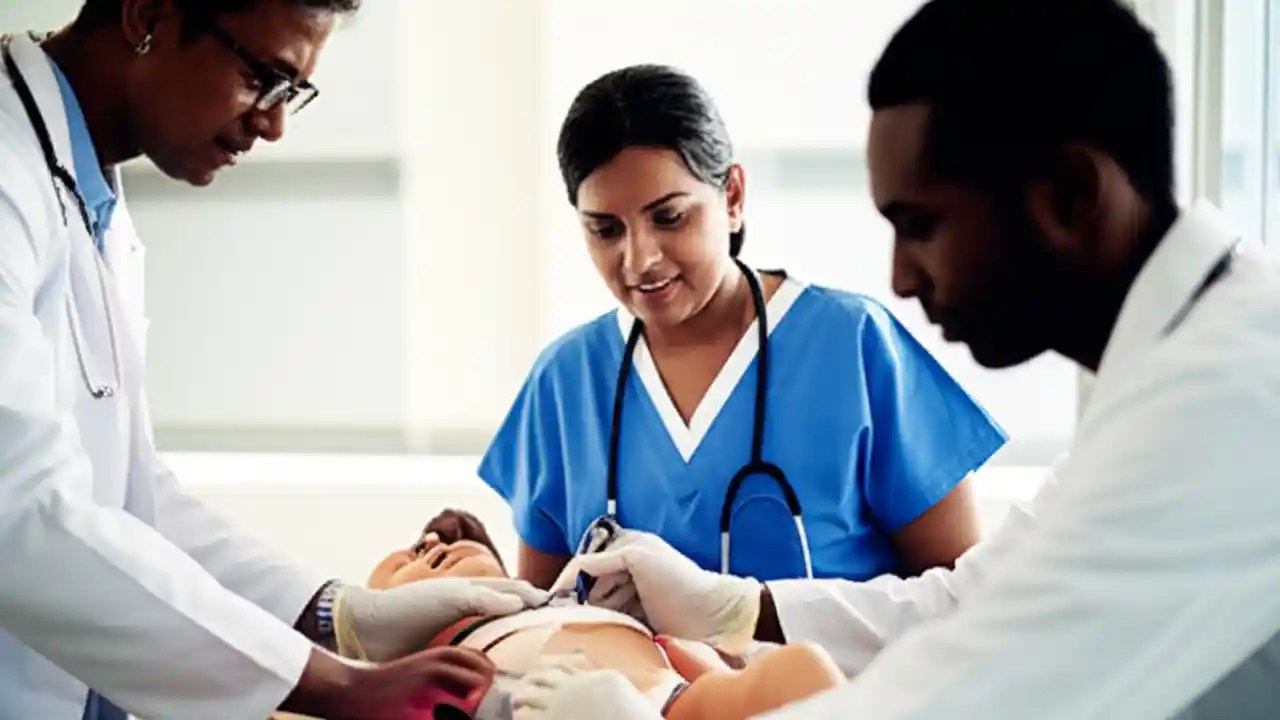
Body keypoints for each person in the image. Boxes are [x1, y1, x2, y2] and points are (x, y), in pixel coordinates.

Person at [529, 0, 1280, 717]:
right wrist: (739, 606)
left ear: (1070, 193)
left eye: (922, 226)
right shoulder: (1179, 367)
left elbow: (982, 684)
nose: (901, 276)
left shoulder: (1228, 395)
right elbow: (969, 602)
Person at [0, 2, 546, 718]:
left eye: (292, 93)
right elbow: (23, 514)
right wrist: (334, 683)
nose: (274, 122)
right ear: (147, 17)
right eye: (265, 76)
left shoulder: (85, 189)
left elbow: (128, 495)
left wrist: (339, 615)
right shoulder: (12, 175)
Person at [480, 63, 1007, 592]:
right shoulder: (565, 382)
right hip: (627, 680)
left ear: (731, 197)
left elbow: (959, 600)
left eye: (669, 218)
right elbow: (546, 633)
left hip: (843, 677)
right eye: (605, 230)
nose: (640, 260)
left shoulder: (852, 347)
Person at [355, 509, 845, 720]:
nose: (432, 543)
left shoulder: (572, 598)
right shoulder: (423, 664)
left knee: (804, 668)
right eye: (409, 558)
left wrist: (719, 659)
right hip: (546, 708)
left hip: (678, 701)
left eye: (451, 542)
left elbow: (694, 657)